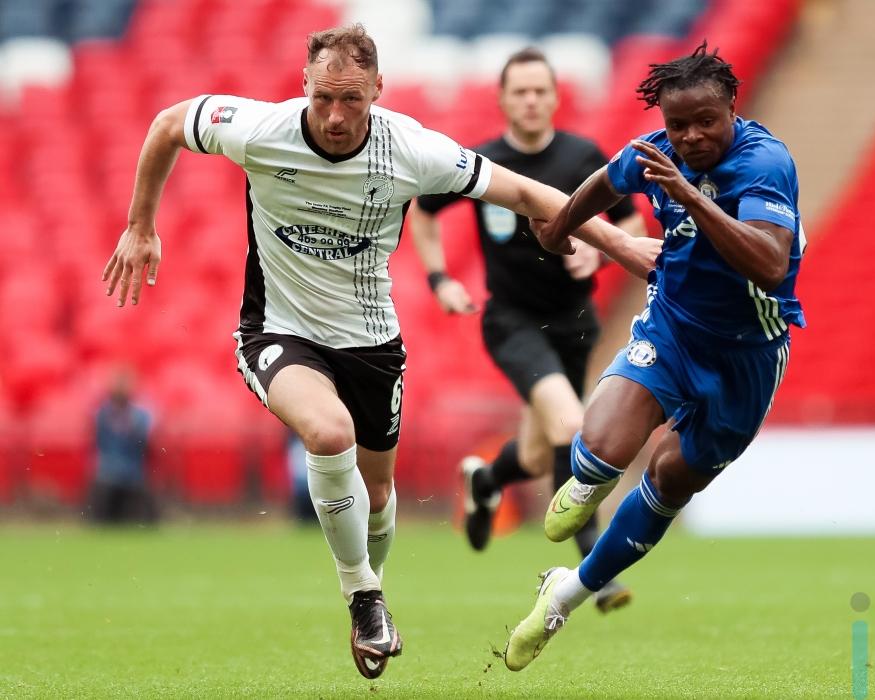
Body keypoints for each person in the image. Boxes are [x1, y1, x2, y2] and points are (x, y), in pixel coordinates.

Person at [100, 24, 659, 680]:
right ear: (303, 86)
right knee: (328, 432)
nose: (336, 116)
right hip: (278, 331)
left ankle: (374, 584)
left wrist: (624, 247)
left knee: (379, 489)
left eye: (353, 101)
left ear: (378, 92)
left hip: (372, 344)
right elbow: (169, 123)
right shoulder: (257, 129)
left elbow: (531, 195)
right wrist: (141, 225)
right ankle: (363, 598)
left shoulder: (414, 150)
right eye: (324, 98)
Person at [501, 42, 806, 671]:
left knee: (669, 481)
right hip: (672, 329)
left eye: (705, 122)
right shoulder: (656, 153)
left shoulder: (765, 164)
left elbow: (772, 265)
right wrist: (561, 229)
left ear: (731, 110)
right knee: (606, 443)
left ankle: (566, 592)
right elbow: (606, 181)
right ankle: (587, 480)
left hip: (747, 358)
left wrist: (691, 198)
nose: (690, 137)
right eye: (677, 126)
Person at [408, 47, 646, 613]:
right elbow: (423, 210)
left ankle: (487, 482)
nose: (532, 100)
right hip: (511, 321)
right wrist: (440, 278)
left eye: (541, 90)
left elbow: (633, 220)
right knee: (571, 422)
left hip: (574, 325)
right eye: (521, 91)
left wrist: (602, 258)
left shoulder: (584, 157)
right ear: (503, 100)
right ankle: (592, 568)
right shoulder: (482, 163)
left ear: (556, 97)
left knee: (541, 457)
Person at [89, 368, 157, 524]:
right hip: (107, 473)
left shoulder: (140, 415)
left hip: (133, 472)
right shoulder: (102, 414)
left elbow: (145, 442)